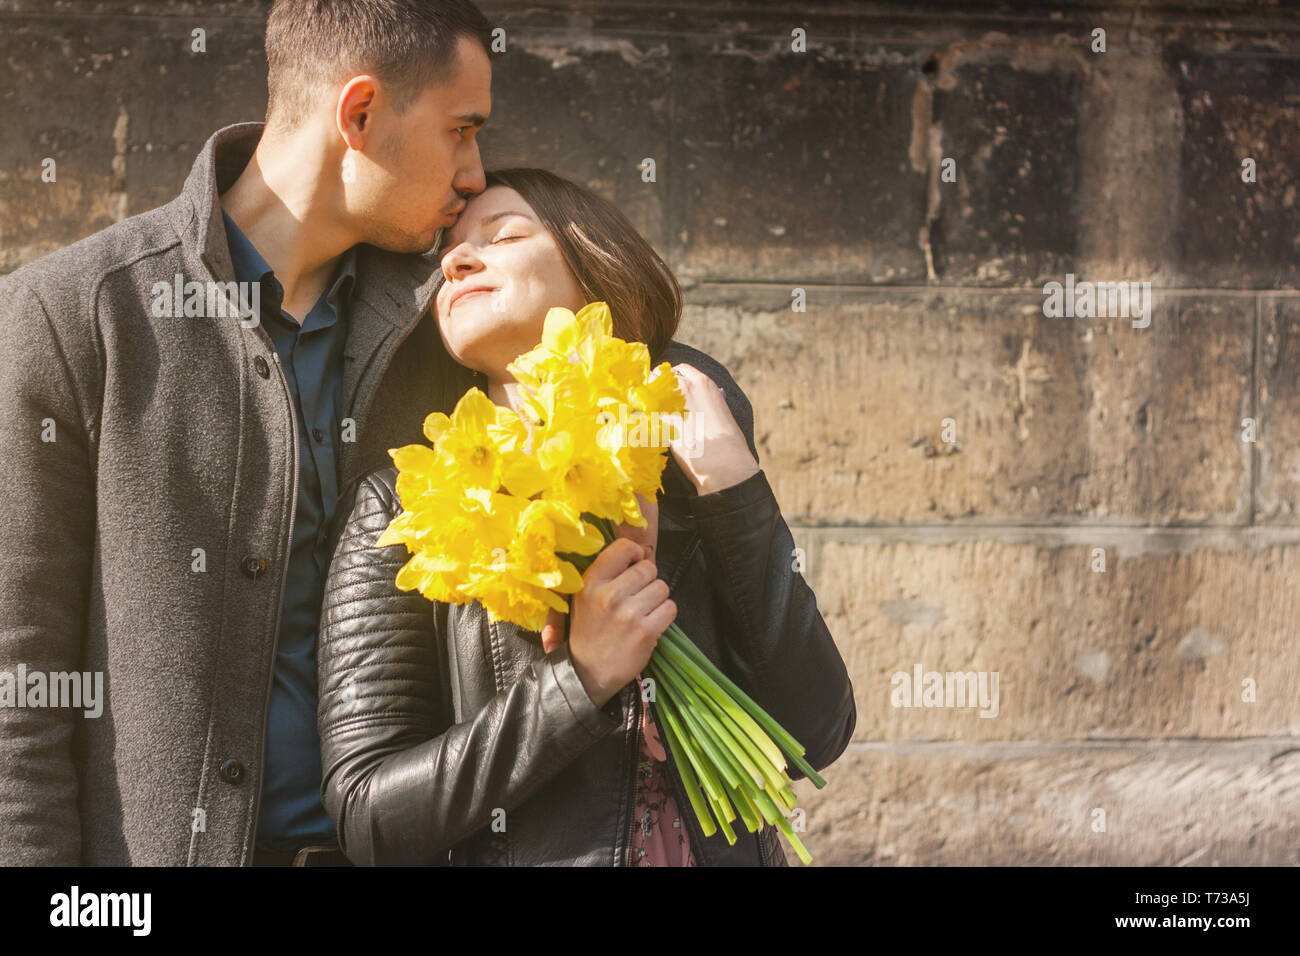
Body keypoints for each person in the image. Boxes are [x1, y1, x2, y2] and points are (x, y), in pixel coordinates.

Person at [0, 0, 497, 866]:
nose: (476, 174)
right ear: (360, 113)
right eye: (461, 130)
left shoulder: (451, 332)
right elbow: (18, 681)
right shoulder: (74, 312)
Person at [317, 168, 857, 866]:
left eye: (504, 233)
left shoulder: (691, 472)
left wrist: (733, 482)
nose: (455, 260)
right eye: (444, 257)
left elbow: (816, 731)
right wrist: (580, 680)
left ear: (597, 267)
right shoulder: (401, 505)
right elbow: (369, 817)